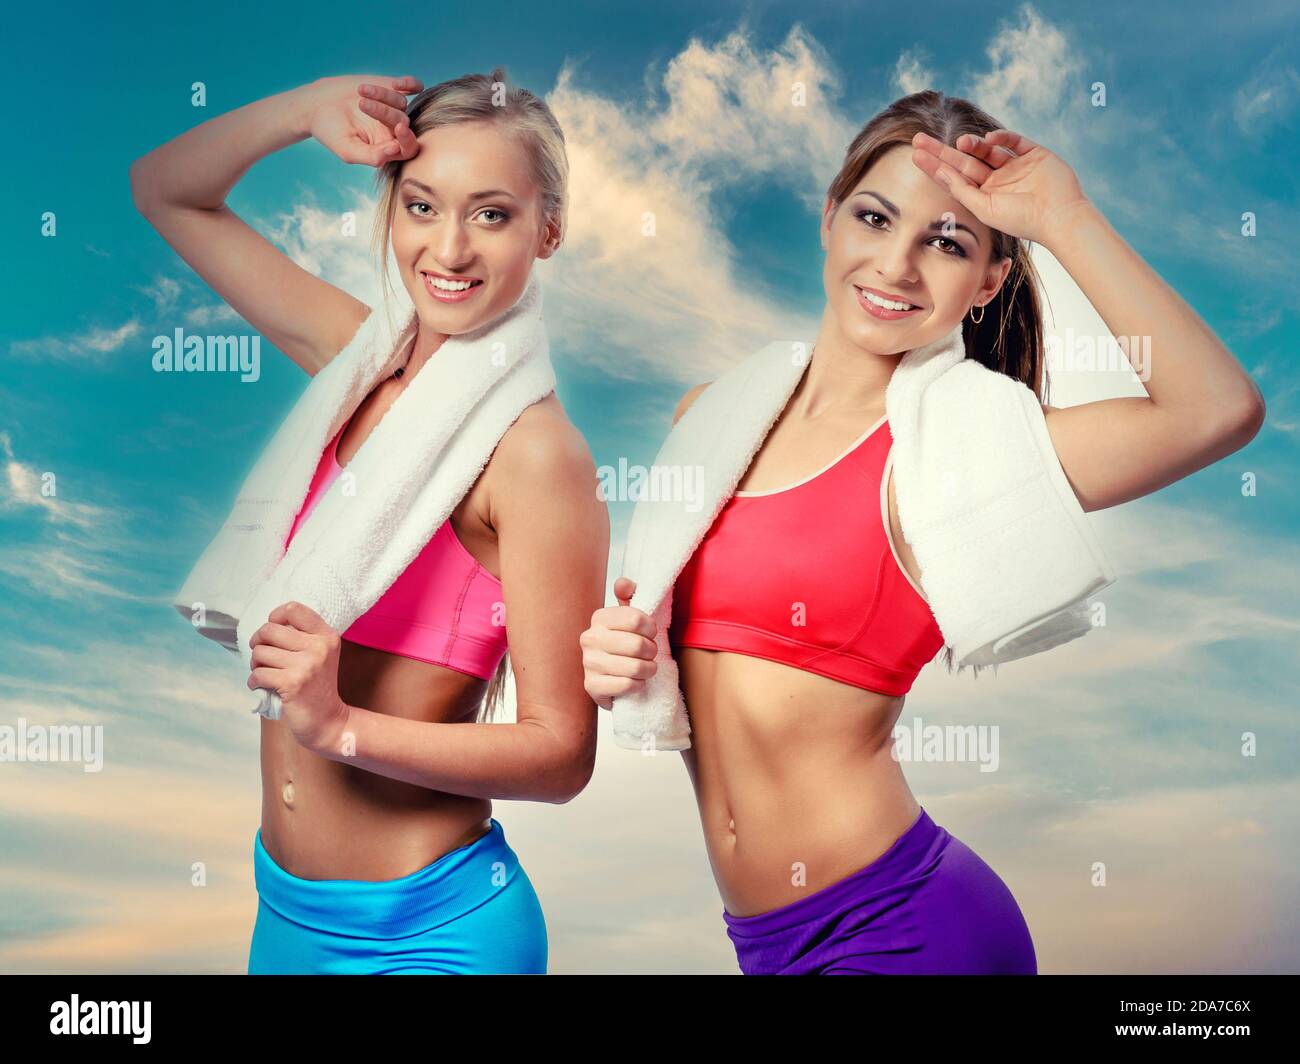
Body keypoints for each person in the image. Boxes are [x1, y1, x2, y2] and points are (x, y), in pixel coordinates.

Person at [579, 90, 1264, 975]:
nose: (897, 266)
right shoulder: (709, 418)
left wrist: (1064, 216)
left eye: (946, 242)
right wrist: (617, 653)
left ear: (988, 281)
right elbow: (680, 652)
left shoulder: (961, 453)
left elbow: (1219, 409)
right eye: (875, 217)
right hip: (761, 941)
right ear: (830, 218)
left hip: (905, 928)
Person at [132, 69, 608, 974]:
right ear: (389, 205)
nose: (451, 249)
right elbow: (165, 190)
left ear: (549, 228)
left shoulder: (538, 457)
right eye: (422, 206)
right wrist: (302, 107)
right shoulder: (351, 356)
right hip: (285, 915)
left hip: (433, 935)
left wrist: (335, 723)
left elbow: (561, 755)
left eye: (493, 214)